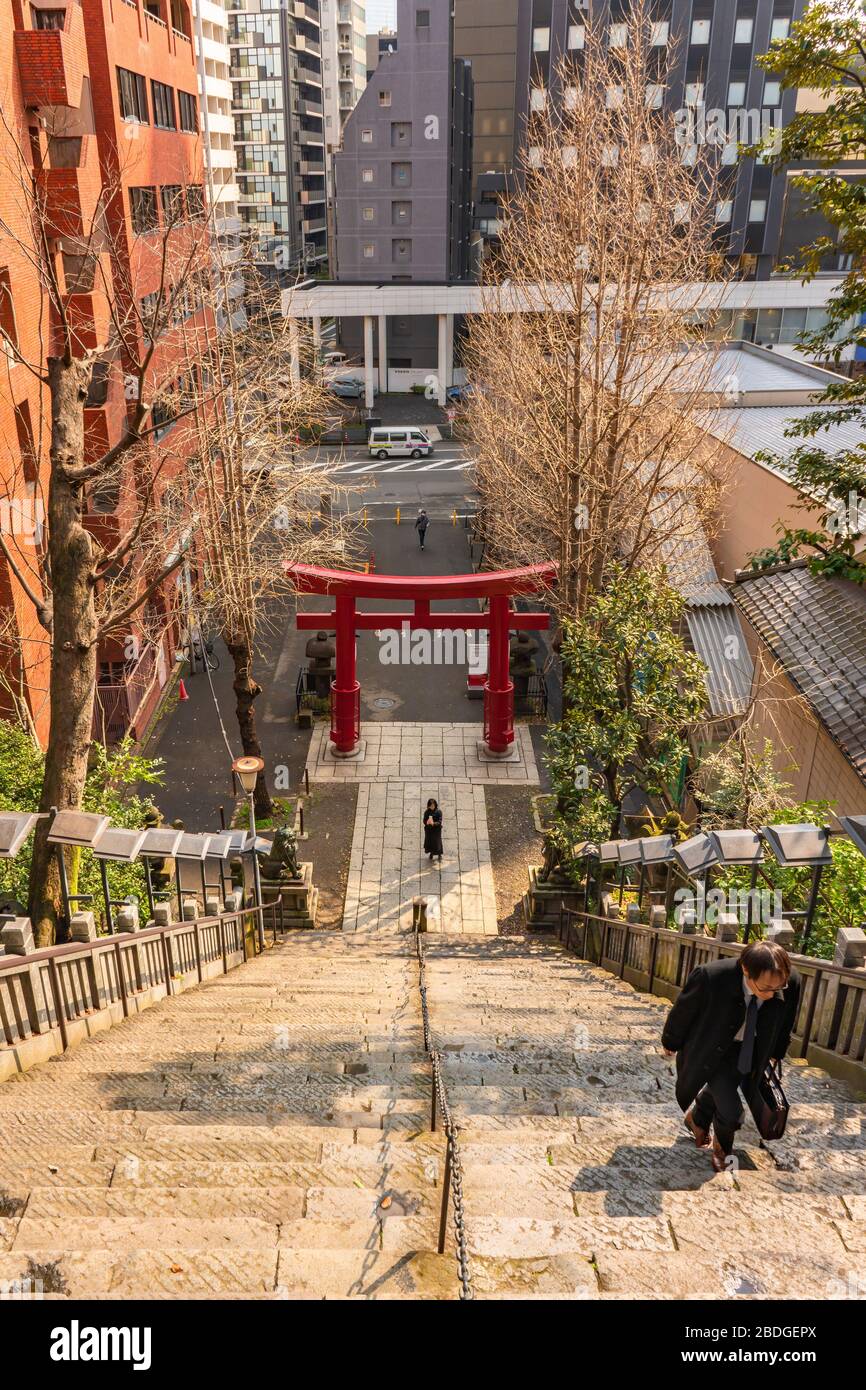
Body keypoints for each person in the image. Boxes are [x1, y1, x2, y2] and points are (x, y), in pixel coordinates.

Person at [661, 940, 800, 1172]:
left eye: (777, 989)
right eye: (764, 988)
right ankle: (723, 1149)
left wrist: (777, 1051)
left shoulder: (789, 982)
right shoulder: (711, 977)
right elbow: (683, 1010)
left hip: (750, 1048)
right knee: (732, 1112)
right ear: (746, 969)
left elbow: (787, 1020)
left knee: (723, 1090)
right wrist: (671, 1041)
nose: (770, 995)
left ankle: (698, 1118)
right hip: (712, 1050)